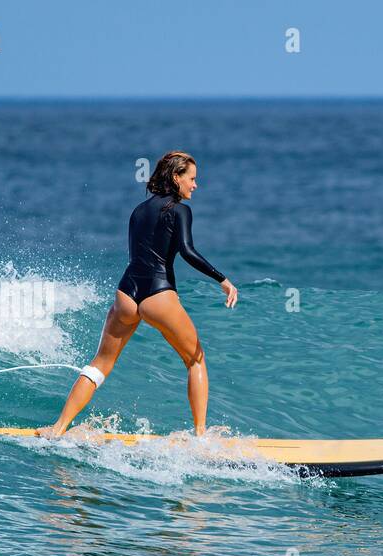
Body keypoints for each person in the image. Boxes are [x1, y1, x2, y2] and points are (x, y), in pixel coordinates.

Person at [39, 150, 237, 438]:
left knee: (100, 363)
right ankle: (201, 436)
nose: (195, 185)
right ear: (176, 177)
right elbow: (187, 251)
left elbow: (138, 255)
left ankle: (57, 428)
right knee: (195, 359)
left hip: (127, 293)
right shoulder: (180, 210)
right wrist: (223, 280)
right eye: (191, 179)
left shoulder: (138, 211)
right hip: (158, 293)